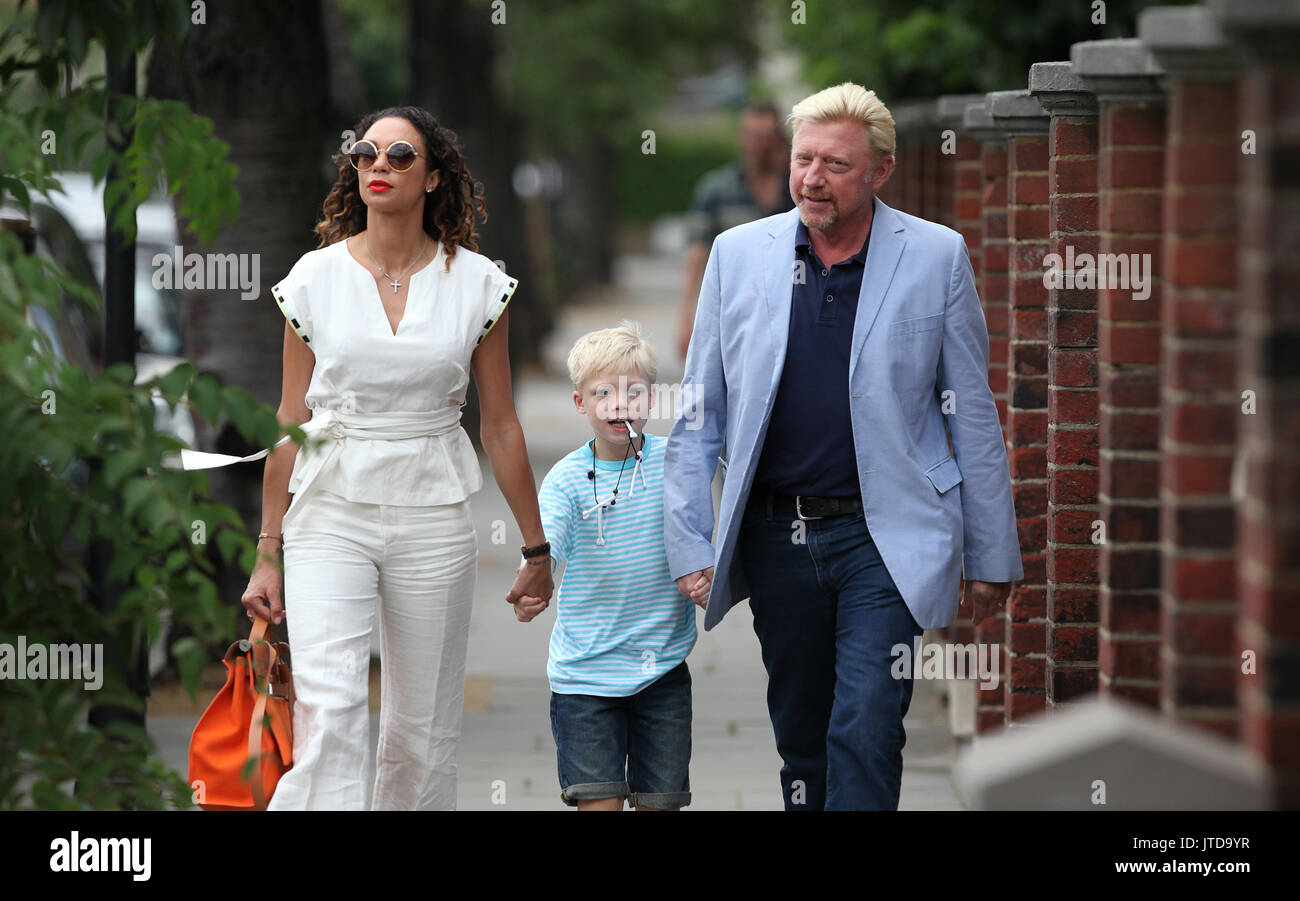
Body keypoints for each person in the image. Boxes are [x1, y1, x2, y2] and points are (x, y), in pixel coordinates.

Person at [663, 83, 1023, 811]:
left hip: (886, 533)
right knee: (803, 735)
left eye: (835, 163)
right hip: (776, 534)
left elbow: (972, 413)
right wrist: (689, 539)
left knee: (865, 723)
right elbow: (700, 407)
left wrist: (991, 551)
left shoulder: (936, 257)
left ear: (881, 171)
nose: (812, 178)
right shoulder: (738, 256)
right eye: (804, 159)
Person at [232, 105, 554, 810]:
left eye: (400, 155)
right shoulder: (313, 279)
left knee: (421, 731)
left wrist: (536, 545)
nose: (379, 165)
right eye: (366, 154)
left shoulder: (478, 285)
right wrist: (268, 548)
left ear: (434, 177)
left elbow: (499, 425)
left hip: (433, 511)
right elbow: (290, 418)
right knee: (332, 710)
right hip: (329, 509)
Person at [512, 323, 698, 811]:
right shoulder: (567, 480)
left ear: (651, 398)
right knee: (600, 804)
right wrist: (536, 577)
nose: (619, 404)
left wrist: (708, 572)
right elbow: (548, 541)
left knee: (662, 803)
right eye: (603, 393)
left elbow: (699, 532)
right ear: (580, 403)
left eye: (633, 392)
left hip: (662, 670)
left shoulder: (676, 462)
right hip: (585, 679)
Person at [676, 101, 793, 361]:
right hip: (732, 312)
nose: (758, 144)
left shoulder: (798, 187)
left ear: (778, 139)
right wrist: (687, 315)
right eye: (751, 135)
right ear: (740, 137)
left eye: (765, 136)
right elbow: (697, 252)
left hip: (791, 310)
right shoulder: (716, 189)